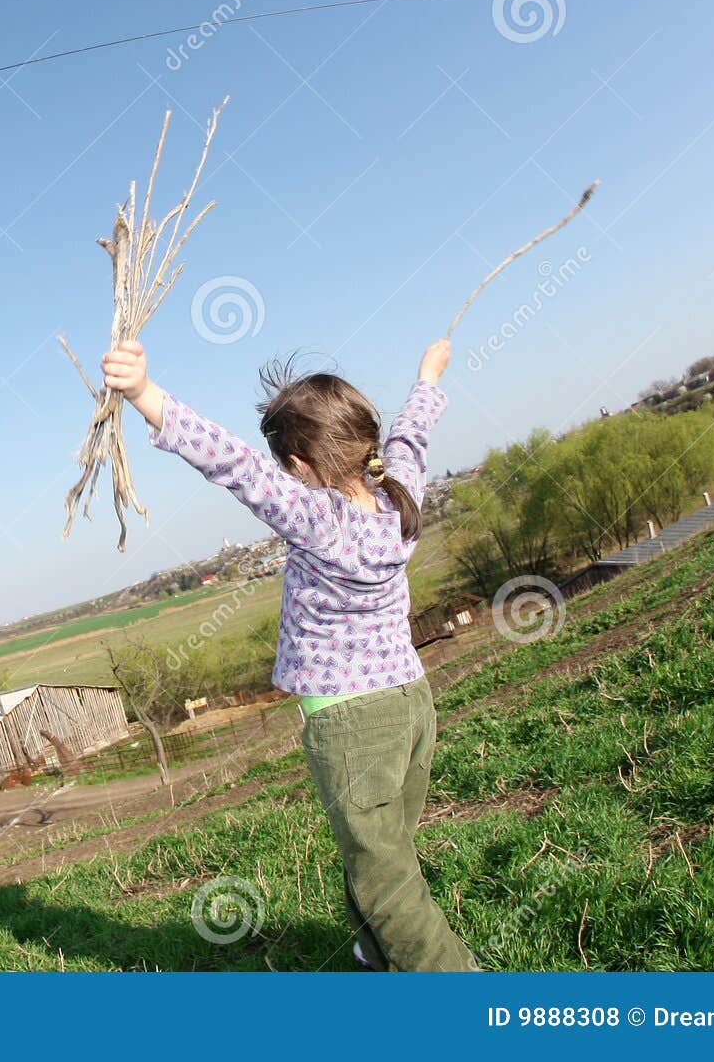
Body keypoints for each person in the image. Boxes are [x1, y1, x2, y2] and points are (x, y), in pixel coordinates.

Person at [100, 336, 475, 972]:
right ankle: (374, 955)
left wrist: (143, 394)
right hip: (412, 703)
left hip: (353, 722)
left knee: (387, 879)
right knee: (384, 851)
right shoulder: (399, 501)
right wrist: (428, 379)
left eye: (285, 465)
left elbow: (232, 463)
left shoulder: (318, 519)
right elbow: (411, 440)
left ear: (300, 465)